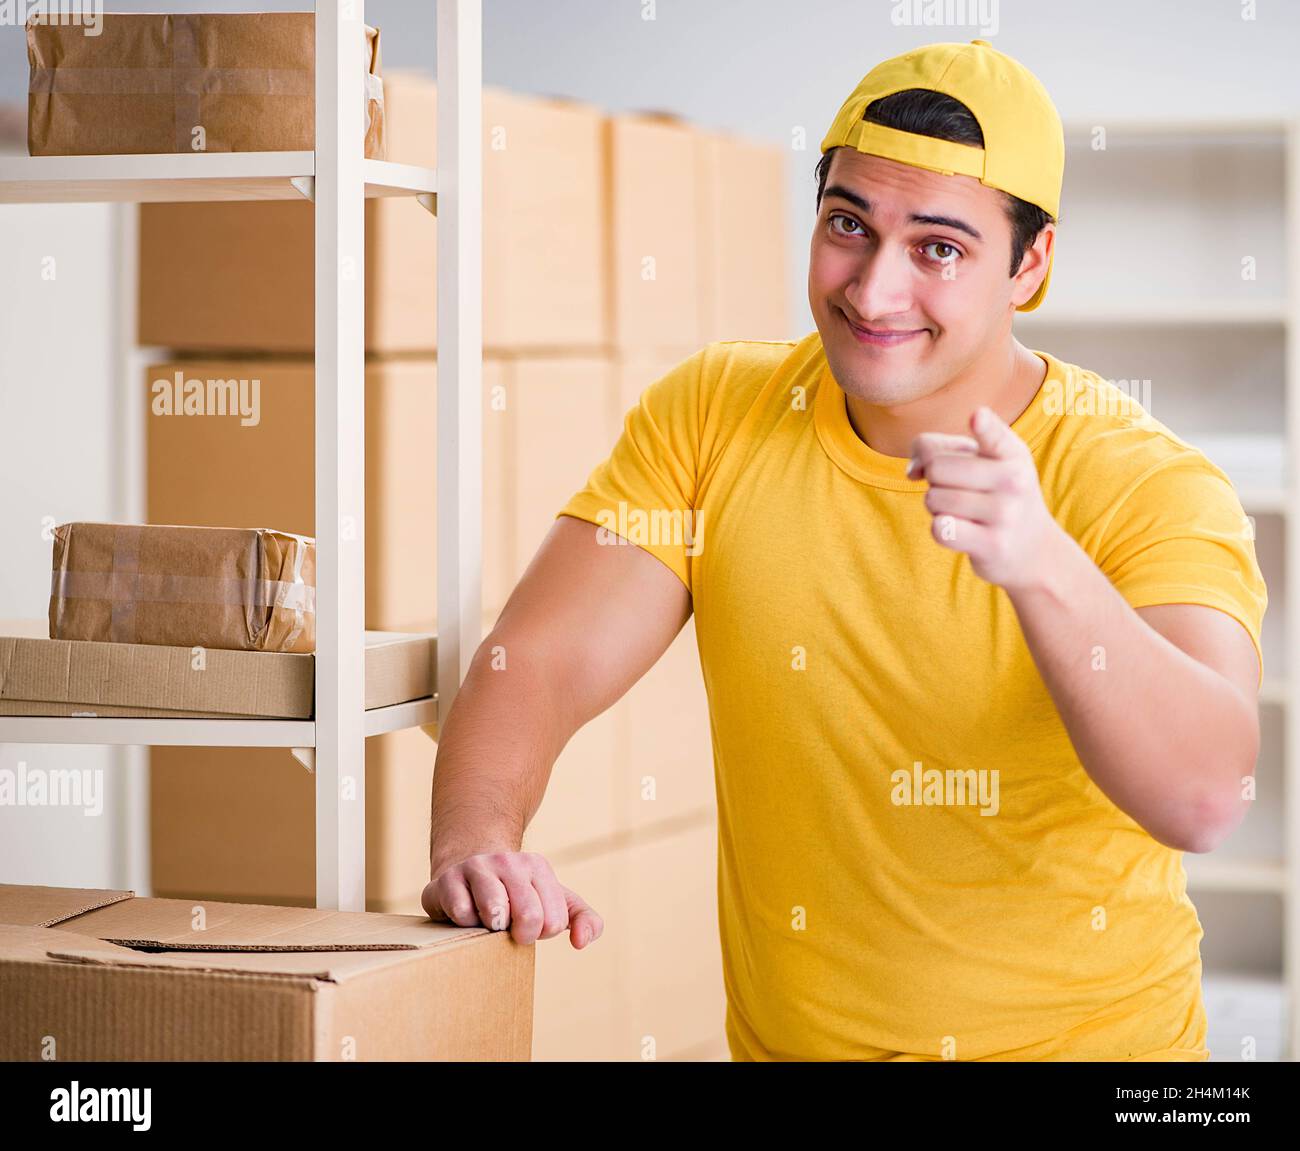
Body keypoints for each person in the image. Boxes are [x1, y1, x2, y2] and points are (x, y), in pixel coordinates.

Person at [421, 39, 1267, 1061]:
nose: (873, 290)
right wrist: (478, 839)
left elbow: (1204, 796)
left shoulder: (1144, 480)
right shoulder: (715, 414)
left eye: (939, 248)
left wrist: (1043, 562)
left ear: (1030, 264)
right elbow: (538, 661)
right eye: (848, 225)